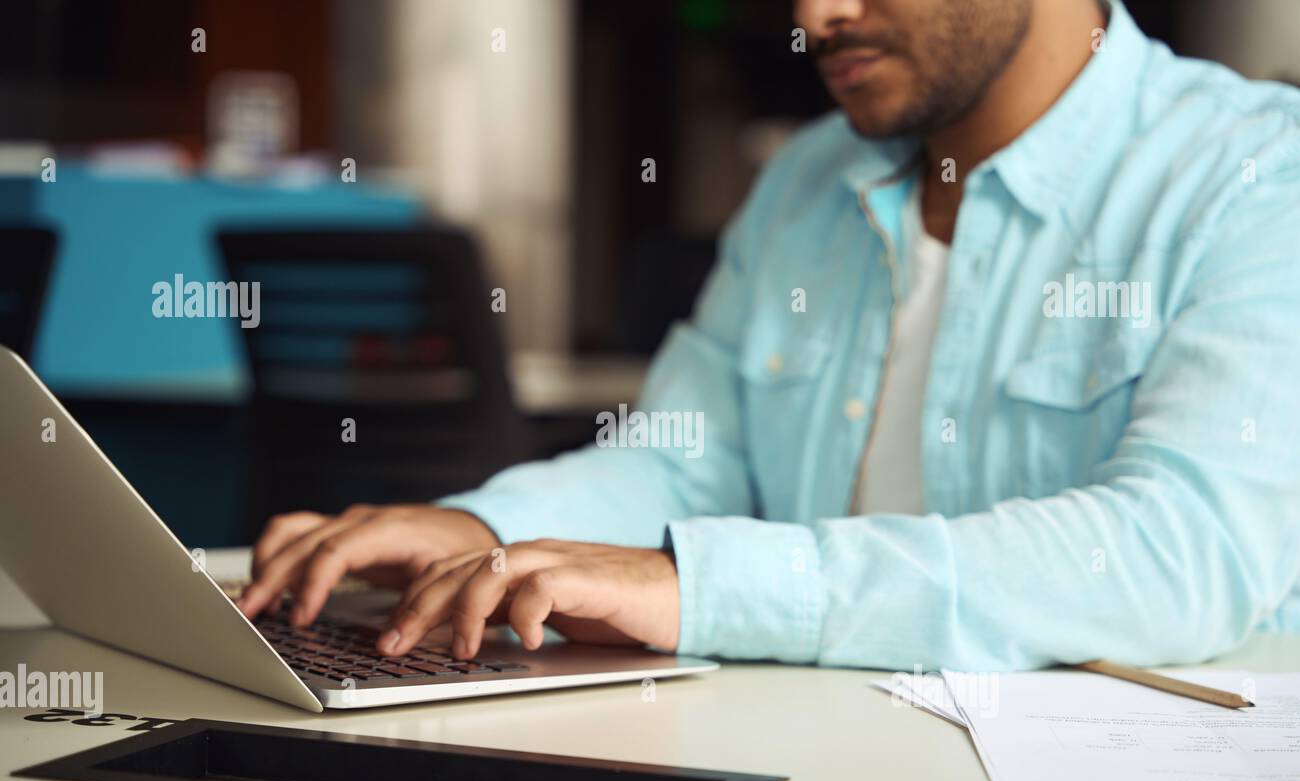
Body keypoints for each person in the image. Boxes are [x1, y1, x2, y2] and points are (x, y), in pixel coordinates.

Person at [238, 0, 1300, 673]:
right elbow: (689, 457)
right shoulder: (806, 178)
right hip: (815, 769)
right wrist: (487, 531)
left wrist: (707, 585)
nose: (816, 15)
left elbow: (1180, 551)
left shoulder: (1255, 176)